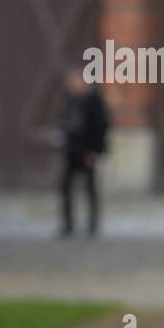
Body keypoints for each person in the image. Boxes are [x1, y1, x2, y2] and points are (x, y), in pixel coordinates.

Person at [57, 67, 108, 237]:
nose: (73, 85)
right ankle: (68, 225)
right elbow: (63, 122)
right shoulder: (69, 100)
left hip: (87, 151)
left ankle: (92, 225)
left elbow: (100, 127)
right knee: (65, 187)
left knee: (90, 189)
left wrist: (95, 151)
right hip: (71, 151)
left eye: (76, 81)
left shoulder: (93, 101)